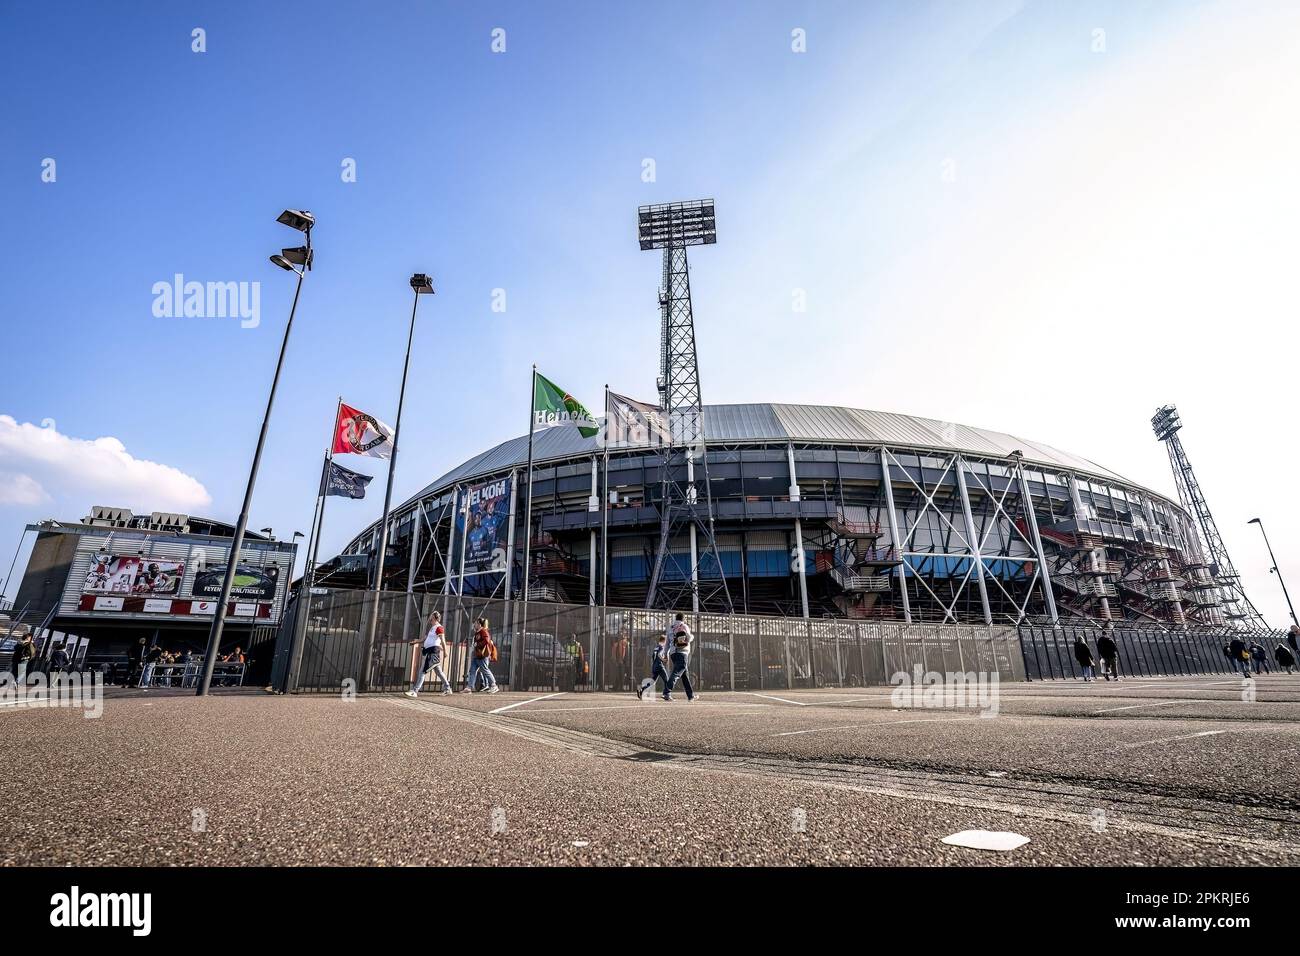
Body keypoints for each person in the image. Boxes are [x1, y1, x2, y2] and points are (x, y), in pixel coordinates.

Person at [405, 611, 452, 697]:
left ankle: (415, 691)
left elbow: (443, 640)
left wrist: (445, 651)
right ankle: (447, 688)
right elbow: (425, 638)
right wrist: (416, 642)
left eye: (431, 617)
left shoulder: (439, 627)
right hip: (429, 652)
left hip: (433, 652)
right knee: (438, 672)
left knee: (422, 671)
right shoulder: (432, 628)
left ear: (435, 618)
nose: (430, 618)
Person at [662, 612, 697, 702]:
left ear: (675, 618)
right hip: (683, 652)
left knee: (685, 675)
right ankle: (667, 692)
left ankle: (691, 696)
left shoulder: (670, 628)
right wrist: (692, 636)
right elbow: (688, 638)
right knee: (677, 673)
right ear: (683, 619)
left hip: (673, 653)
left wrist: (665, 653)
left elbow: (667, 643)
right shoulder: (684, 626)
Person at [464, 618, 499, 694]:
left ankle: (494, 685)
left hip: (482, 656)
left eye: (476, 623)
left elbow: (487, 640)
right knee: (472, 671)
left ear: (479, 624)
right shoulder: (477, 632)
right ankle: (469, 687)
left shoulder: (483, 631)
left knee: (485, 670)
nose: (474, 625)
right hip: (477, 655)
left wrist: (478, 645)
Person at [637, 631, 671, 700]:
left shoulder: (656, 647)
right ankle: (666, 695)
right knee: (667, 680)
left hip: (654, 666)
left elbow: (653, 656)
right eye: (666, 641)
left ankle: (642, 689)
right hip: (659, 666)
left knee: (653, 682)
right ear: (664, 641)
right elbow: (659, 654)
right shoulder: (661, 647)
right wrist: (663, 660)